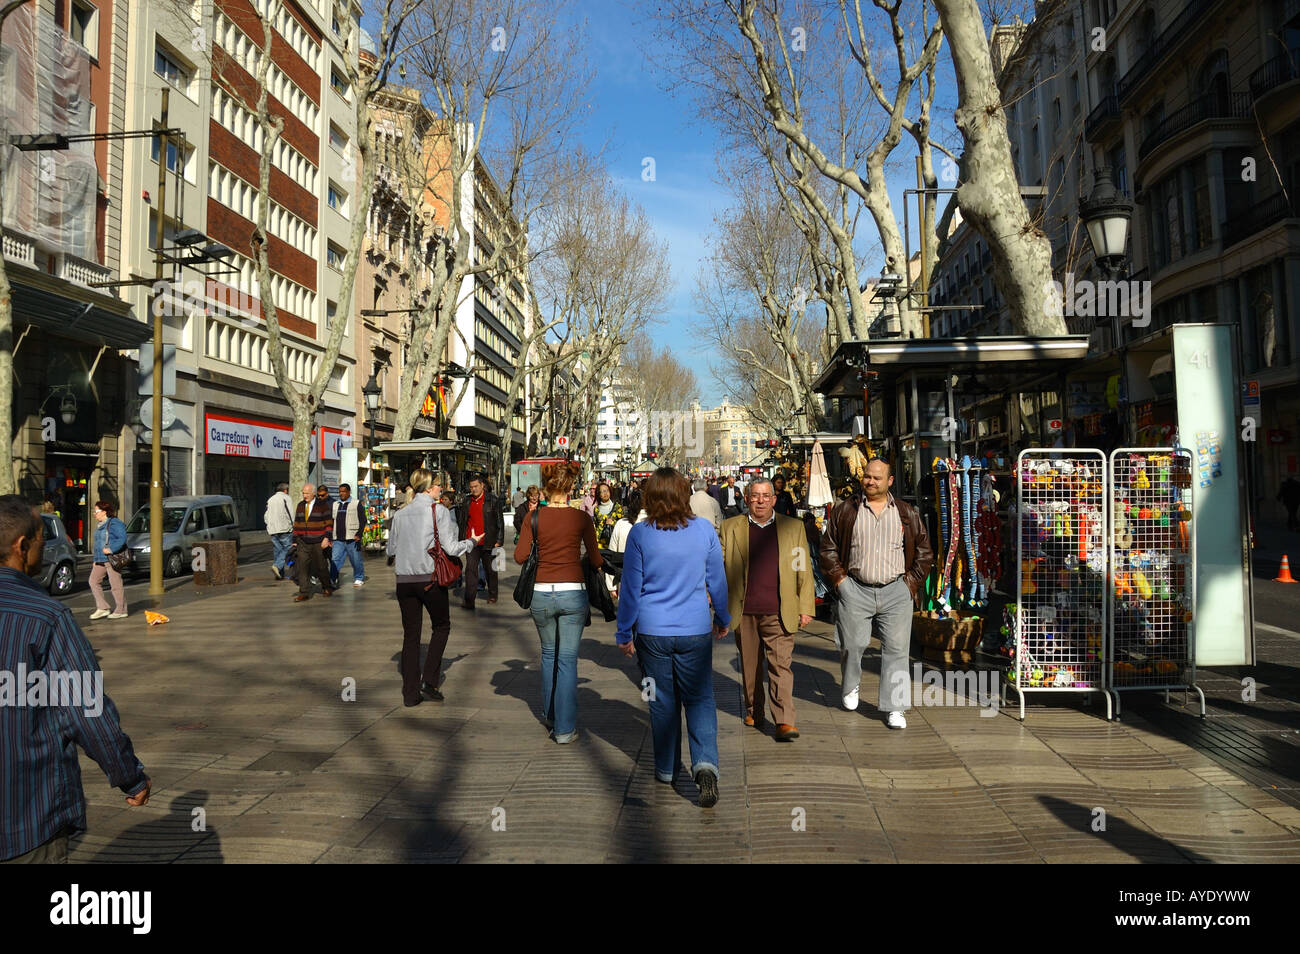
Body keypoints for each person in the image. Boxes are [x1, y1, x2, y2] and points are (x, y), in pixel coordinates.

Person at [0, 495, 151, 863]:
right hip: (28, 816)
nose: (42, 548)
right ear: (22, 547)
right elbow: (85, 709)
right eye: (40, 540)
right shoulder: (46, 617)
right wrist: (129, 776)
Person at [615, 468, 730, 807]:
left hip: (652, 631)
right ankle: (705, 765)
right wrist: (722, 618)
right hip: (694, 629)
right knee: (700, 699)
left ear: (650, 497)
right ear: (685, 494)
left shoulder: (640, 534)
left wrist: (624, 632)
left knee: (661, 699)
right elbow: (718, 582)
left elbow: (631, 591)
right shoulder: (703, 531)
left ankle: (666, 768)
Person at [820, 458, 933, 729]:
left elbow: (924, 552)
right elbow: (828, 549)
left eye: (877, 478)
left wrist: (911, 584)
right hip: (855, 588)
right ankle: (850, 686)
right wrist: (841, 582)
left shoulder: (906, 513)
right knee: (852, 645)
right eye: (867, 476)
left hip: (896, 591)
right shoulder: (846, 510)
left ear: (890, 481)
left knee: (896, 650)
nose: (870, 481)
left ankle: (895, 708)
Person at [515, 461, 602, 743]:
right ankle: (564, 729)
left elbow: (518, 556)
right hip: (572, 591)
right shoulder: (581, 519)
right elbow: (596, 559)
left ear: (546, 488)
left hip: (541, 592)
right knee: (566, 660)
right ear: (570, 488)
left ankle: (551, 714)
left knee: (549, 655)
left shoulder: (534, 518)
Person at [721, 478, 814, 741]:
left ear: (774, 499)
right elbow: (717, 566)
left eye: (765, 496)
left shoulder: (792, 527)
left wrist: (805, 606)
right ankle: (754, 709)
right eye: (755, 496)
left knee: (780, 666)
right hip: (744, 609)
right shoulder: (730, 527)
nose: (760, 500)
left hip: (779, 610)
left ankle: (784, 720)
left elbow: (802, 569)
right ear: (746, 498)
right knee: (750, 666)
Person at [388, 469, 482, 706]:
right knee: (441, 626)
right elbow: (451, 548)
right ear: (428, 488)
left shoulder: (400, 514)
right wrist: (472, 541)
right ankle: (429, 679)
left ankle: (410, 694)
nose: (442, 488)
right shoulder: (437, 511)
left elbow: (391, 549)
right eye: (439, 485)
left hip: (404, 581)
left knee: (411, 637)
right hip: (430, 579)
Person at [456, 475, 504, 609]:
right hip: (471, 542)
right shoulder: (467, 501)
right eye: (471, 487)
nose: (473, 489)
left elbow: (500, 522)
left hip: (489, 541)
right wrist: (461, 542)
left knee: (491, 570)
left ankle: (493, 594)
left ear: (482, 485)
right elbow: (462, 522)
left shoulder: (493, 500)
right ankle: (469, 600)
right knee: (471, 570)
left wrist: (499, 540)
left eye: (476, 486)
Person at [293, 483, 334, 602]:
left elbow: (329, 523)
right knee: (302, 567)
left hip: (318, 541)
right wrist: (294, 539)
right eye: (303, 493)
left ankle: (326, 587)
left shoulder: (322, 505)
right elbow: (297, 523)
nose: (304, 495)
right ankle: (304, 592)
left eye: (306, 493)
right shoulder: (300, 505)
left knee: (321, 566)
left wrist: (327, 538)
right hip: (303, 542)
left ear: (313, 493)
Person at [88, 501, 129, 620]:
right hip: (100, 559)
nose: (94, 514)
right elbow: (98, 544)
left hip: (112, 558)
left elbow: (122, 538)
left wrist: (111, 549)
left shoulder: (114, 523)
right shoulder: (100, 525)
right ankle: (103, 608)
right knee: (93, 581)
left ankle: (121, 610)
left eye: (96, 511)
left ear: (104, 512)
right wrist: (95, 559)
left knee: (115, 584)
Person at [331, 483, 368, 588]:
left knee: (356, 559)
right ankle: (333, 578)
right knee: (335, 559)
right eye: (340, 491)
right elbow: (332, 520)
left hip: (352, 538)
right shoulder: (335, 504)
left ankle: (359, 578)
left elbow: (363, 520)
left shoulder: (356, 503)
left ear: (348, 492)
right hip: (338, 538)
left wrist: (359, 534)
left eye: (343, 491)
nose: (341, 493)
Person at [264, 482, 295, 581]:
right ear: (285, 490)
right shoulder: (286, 498)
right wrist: (293, 525)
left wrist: (269, 525)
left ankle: (279, 574)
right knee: (288, 548)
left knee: (278, 550)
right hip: (284, 528)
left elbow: (266, 515)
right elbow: (290, 513)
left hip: (273, 529)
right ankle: (277, 566)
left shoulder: (271, 499)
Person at [592, 482, 624, 546]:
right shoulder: (596, 509)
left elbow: (622, 526)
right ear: (599, 494)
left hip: (613, 543)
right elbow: (596, 525)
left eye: (607, 490)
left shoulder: (617, 507)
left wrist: (613, 523)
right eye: (603, 491)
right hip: (599, 544)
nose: (605, 493)